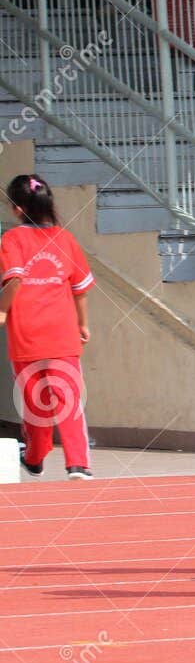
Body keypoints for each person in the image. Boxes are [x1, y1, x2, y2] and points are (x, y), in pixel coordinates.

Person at [1, 175, 95, 480]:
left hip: (26, 336)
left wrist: (2, 310)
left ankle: (35, 456)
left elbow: (14, 278)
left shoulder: (13, 239)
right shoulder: (65, 240)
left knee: (34, 404)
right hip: (62, 335)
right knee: (68, 399)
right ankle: (78, 463)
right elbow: (80, 288)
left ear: (17, 210)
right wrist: (83, 324)